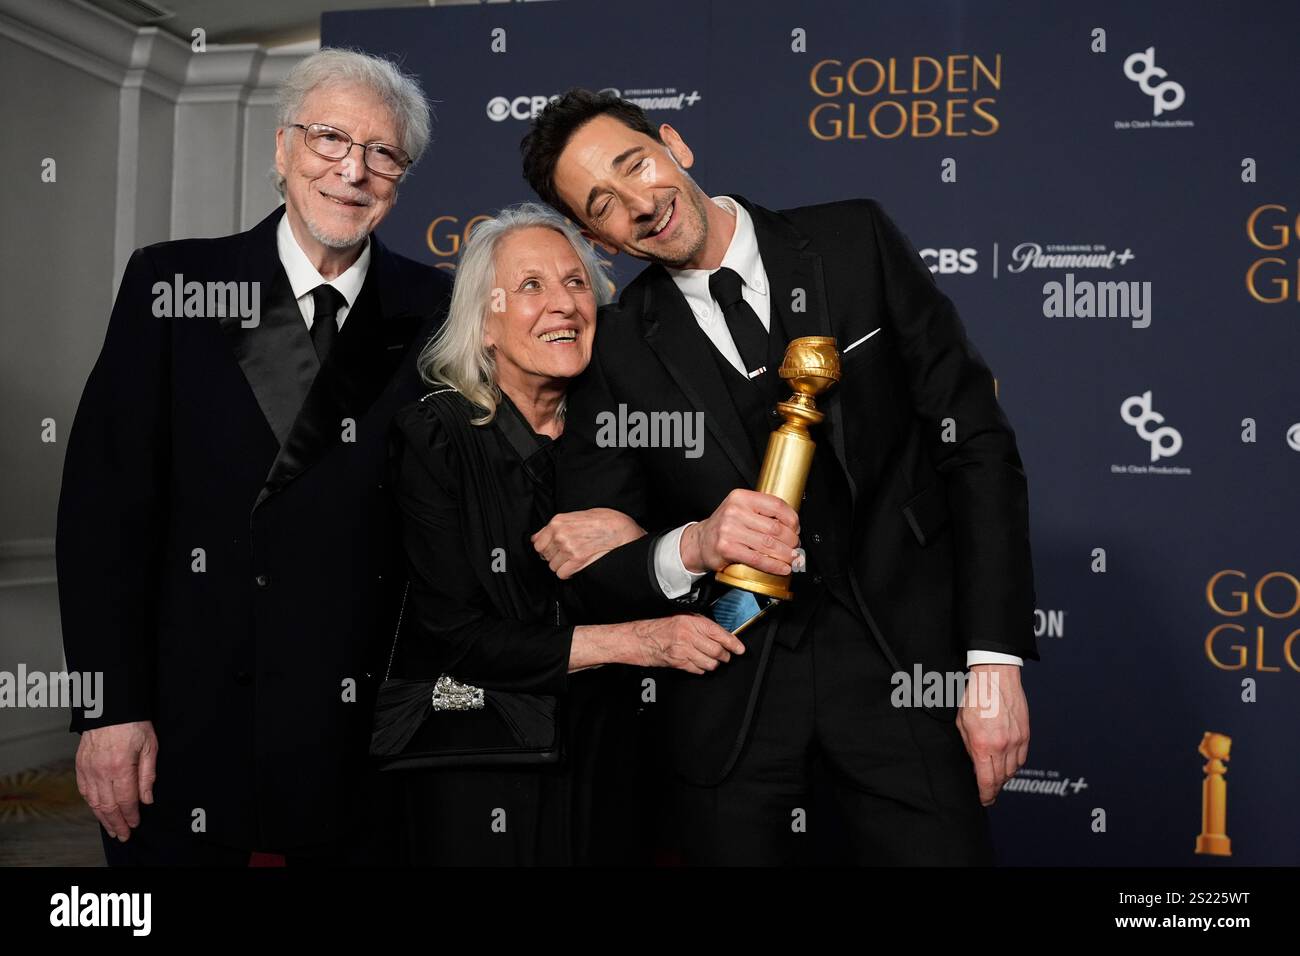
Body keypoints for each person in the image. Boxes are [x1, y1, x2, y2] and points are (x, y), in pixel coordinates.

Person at [520, 90, 1038, 865]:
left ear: (674, 144)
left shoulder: (852, 241)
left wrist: (992, 664)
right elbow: (596, 570)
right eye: (605, 203)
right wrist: (693, 544)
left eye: (637, 164)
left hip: (904, 679)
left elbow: (977, 447)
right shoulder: (619, 345)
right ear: (601, 238)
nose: (641, 203)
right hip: (728, 714)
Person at [56, 48, 450, 865]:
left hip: (364, 724)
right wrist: (109, 710)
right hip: (188, 712)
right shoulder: (174, 281)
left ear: (401, 178)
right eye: (329, 139)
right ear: (281, 150)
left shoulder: (438, 306)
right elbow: (103, 514)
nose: (353, 170)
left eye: (382, 153)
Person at [381, 202, 744, 865]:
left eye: (576, 282)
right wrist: (639, 643)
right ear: (483, 324)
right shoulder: (436, 438)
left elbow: (714, 585)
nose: (563, 304)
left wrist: (639, 534)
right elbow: (456, 635)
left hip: (623, 765)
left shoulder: (634, 435)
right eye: (530, 286)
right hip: (482, 766)